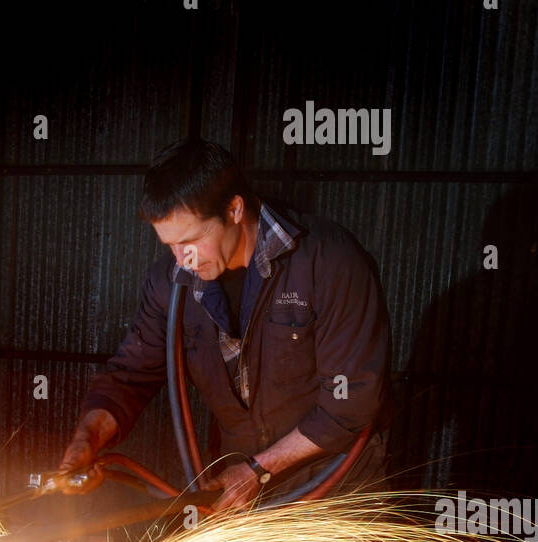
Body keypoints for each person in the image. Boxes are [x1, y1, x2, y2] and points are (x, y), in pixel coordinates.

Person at [60, 137, 392, 513]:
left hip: (334, 489)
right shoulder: (170, 284)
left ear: (234, 209)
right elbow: (131, 375)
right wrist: (87, 436)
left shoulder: (327, 261)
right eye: (169, 244)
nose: (182, 260)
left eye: (190, 241)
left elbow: (352, 401)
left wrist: (259, 469)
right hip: (241, 492)